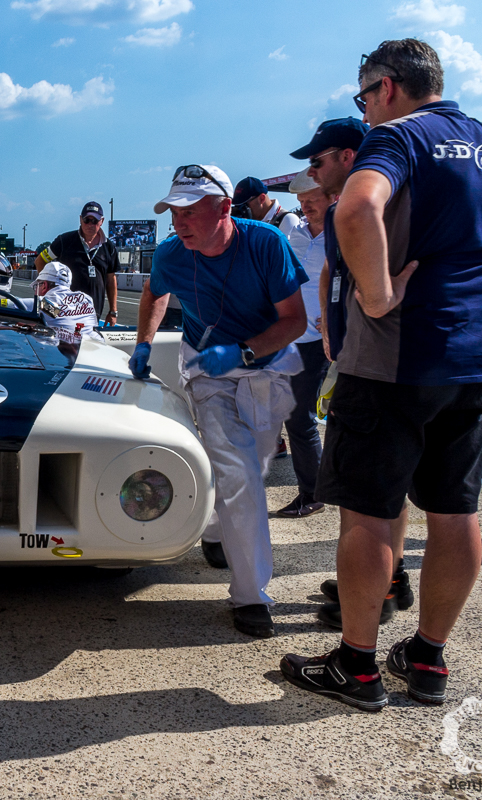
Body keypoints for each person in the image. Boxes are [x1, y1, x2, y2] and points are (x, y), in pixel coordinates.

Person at [281, 39, 482, 713]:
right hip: (476, 357)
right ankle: (427, 658)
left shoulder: (398, 141)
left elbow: (356, 209)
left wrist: (375, 293)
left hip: (395, 358)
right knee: (455, 511)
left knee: (369, 510)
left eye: (364, 98)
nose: (364, 111)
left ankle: (357, 666)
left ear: (388, 88)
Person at [130, 164, 307, 639]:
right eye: (173, 210)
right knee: (241, 473)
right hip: (208, 370)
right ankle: (251, 596)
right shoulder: (172, 252)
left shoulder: (266, 244)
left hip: (266, 366)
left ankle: (213, 531)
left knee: (250, 466)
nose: (177, 221)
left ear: (225, 206)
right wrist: (144, 342)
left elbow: (294, 320)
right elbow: (153, 293)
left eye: (189, 210)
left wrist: (247, 351)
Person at [293, 116, 415, 631]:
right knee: (387, 487)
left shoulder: (374, 201)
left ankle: (371, 600)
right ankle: (389, 576)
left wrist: (379, 300)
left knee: (361, 495)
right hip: (357, 352)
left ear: (347, 156)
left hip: (378, 362)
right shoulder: (346, 208)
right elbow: (330, 271)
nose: (312, 175)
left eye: (317, 162)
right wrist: (328, 327)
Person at [275, 171, 336, 518]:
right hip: (289, 338)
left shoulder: (343, 233)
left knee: (301, 416)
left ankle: (312, 493)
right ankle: (314, 488)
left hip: (322, 342)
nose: (305, 208)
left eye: (311, 201)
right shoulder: (293, 235)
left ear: (331, 197)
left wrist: (333, 316)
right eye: (301, 203)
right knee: (292, 414)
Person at [34, 202, 119, 324]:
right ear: (80, 219)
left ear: (102, 221)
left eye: (94, 221)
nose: (90, 224)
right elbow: (40, 261)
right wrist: (46, 289)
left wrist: (113, 311)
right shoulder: (64, 241)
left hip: (92, 315)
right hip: (63, 313)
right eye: (86, 220)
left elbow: (111, 280)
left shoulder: (109, 247)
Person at [30, 261, 104, 345]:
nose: (35, 290)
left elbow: (13, 306)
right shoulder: (87, 299)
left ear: (44, 286)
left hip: (74, 354)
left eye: (36, 286)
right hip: (99, 348)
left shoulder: (43, 303)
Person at [232, 177, 301, 235]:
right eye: (238, 206)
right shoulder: (249, 224)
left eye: (245, 205)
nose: (241, 210)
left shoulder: (287, 220)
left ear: (262, 198)